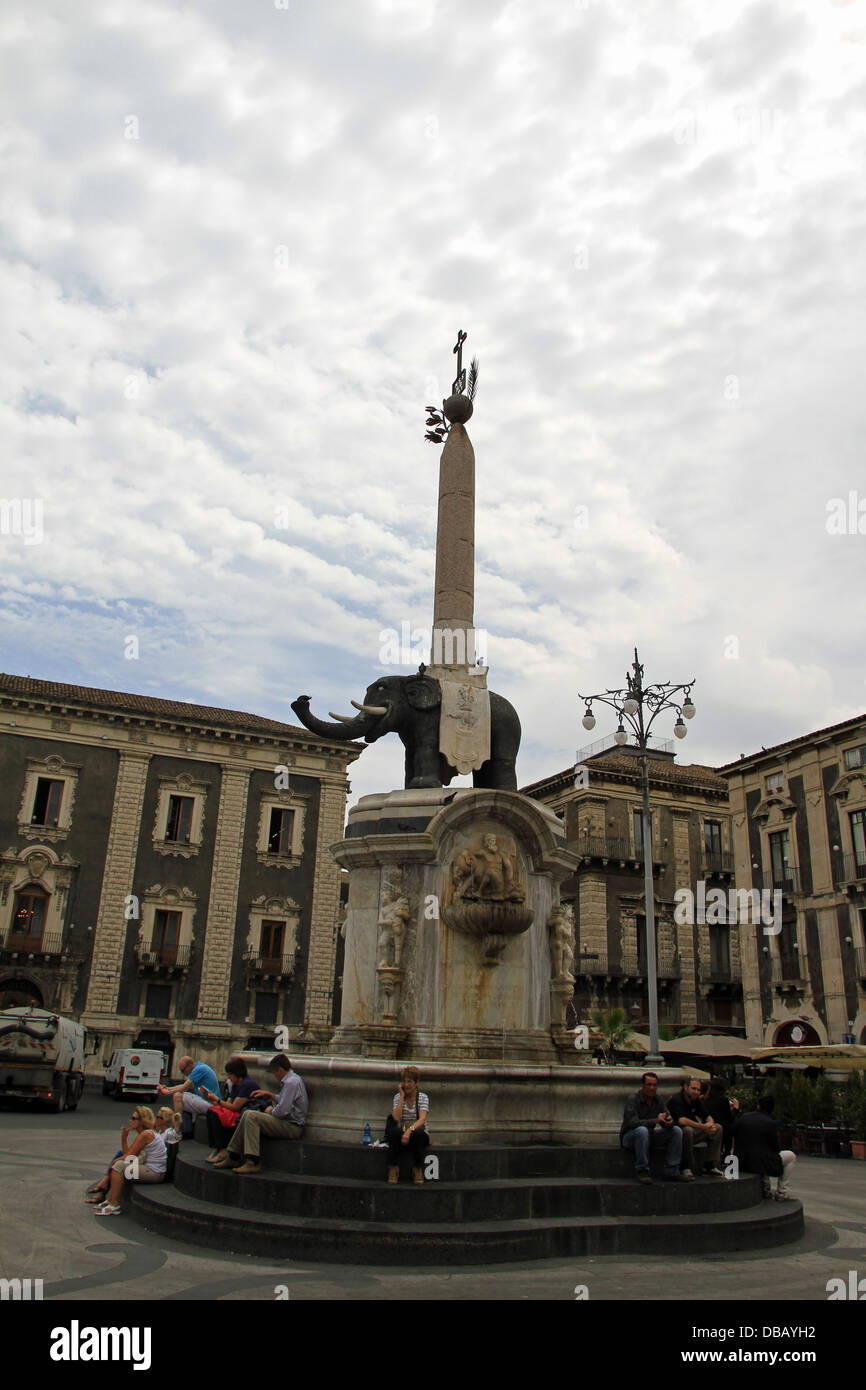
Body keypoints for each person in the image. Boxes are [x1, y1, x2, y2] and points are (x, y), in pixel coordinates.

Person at [213, 1053, 307, 1175]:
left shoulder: (291, 1083)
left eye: (274, 1073)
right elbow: (287, 1101)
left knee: (251, 1116)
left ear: (279, 1070)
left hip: (292, 1126)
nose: (275, 1076)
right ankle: (233, 1156)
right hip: (289, 1123)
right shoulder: (292, 1079)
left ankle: (252, 1162)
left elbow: (283, 1111)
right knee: (247, 1114)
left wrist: (271, 1111)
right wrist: (271, 1095)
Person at [93, 1106, 167, 1215]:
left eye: (133, 1118)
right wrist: (124, 1139)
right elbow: (129, 1155)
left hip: (155, 1173)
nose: (130, 1121)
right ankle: (111, 1201)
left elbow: (129, 1156)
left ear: (141, 1121)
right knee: (119, 1165)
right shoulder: (146, 1133)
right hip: (152, 1169)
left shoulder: (146, 1134)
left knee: (118, 1167)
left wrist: (113, 1165)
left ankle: (114, 1205)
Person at [620, 1072, 684, 1184]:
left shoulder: (658, 1100)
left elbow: (665, 1118)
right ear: (643, 1086)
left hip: (649, 1136)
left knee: (676, 1131)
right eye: (649, 1085)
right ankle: (642, 1170)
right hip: (630, 1137)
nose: (652, 1088)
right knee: (642, 1130)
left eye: (654, 1085)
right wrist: (655, 1121)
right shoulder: (633, 1099)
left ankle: (672, 1170)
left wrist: (668, 1121)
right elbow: (632, 1123)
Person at [733, 1095, 796, 1200]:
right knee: (790, 1156)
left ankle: (766, 1186)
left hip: (741, 1161)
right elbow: (775, 1148)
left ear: (758, 1106)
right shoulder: (770, 1123)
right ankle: (782, 1192)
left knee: (761, 1154)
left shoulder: (744, 1117)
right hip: (759, 1163)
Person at [201, 1057, 259, 1162]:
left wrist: (217, 1100)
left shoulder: (247, 1085)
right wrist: (212, 1100)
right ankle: (218, 1147)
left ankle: (223, 1149)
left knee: (216, 1115)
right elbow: (228, 1103)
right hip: (235, 1113)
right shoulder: (236, 1084)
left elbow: (235, 1107)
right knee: (211, 1111)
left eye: (230, 1074)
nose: (229, 1077)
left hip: (243, 1113)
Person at [667, 1077, 724, 1178]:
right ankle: (686, 1166)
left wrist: (711, 1125)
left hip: (694, 1133)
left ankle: (709, 1164)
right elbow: (682, 1120)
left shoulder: (696, 1100)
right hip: (677, 1136)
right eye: (693, 1089)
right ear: (686, 1087)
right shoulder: (677, 1099)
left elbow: (707, 1116)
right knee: (687, 1130)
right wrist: (703, 1127)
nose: (696, 1092)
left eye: (698, 1090)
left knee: (718, 1128)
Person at [387, 1066, 430, 1185]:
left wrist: (409, 1131)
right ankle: (393, 1168)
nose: (406, 1085)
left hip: (416, 1132)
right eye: (404, 1082)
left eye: (409, 1081)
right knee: (393, 1133)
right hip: (402, 1132)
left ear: (416, 1083)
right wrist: (401, 1096)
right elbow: (396, 1117)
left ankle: (417, 1169)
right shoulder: (397, 1097)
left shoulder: (423, 1097)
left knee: (419, 1135)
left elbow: (422, 1119)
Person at [157, 1055, 221, 1124]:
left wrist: (166, 1092)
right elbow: (183, 1085)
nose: (183, 1073)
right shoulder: (200, 1068)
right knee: (181, 1101)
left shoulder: (198, 1069)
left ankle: (176, 1129)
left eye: (183, 1070)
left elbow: (183, 1088)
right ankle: (186, 1127)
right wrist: (167, 1088)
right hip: (210, 1102)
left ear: (190, 1065)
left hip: (210, 1104)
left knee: (178, 1096)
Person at [704, 1075, 740, 1157]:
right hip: (722, 1130)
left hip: (709, 1125)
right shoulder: (722, 1100)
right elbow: (729, 1118)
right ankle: (727, 1154)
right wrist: (736, 1109)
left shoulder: (706, 1099)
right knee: (731, 1127)